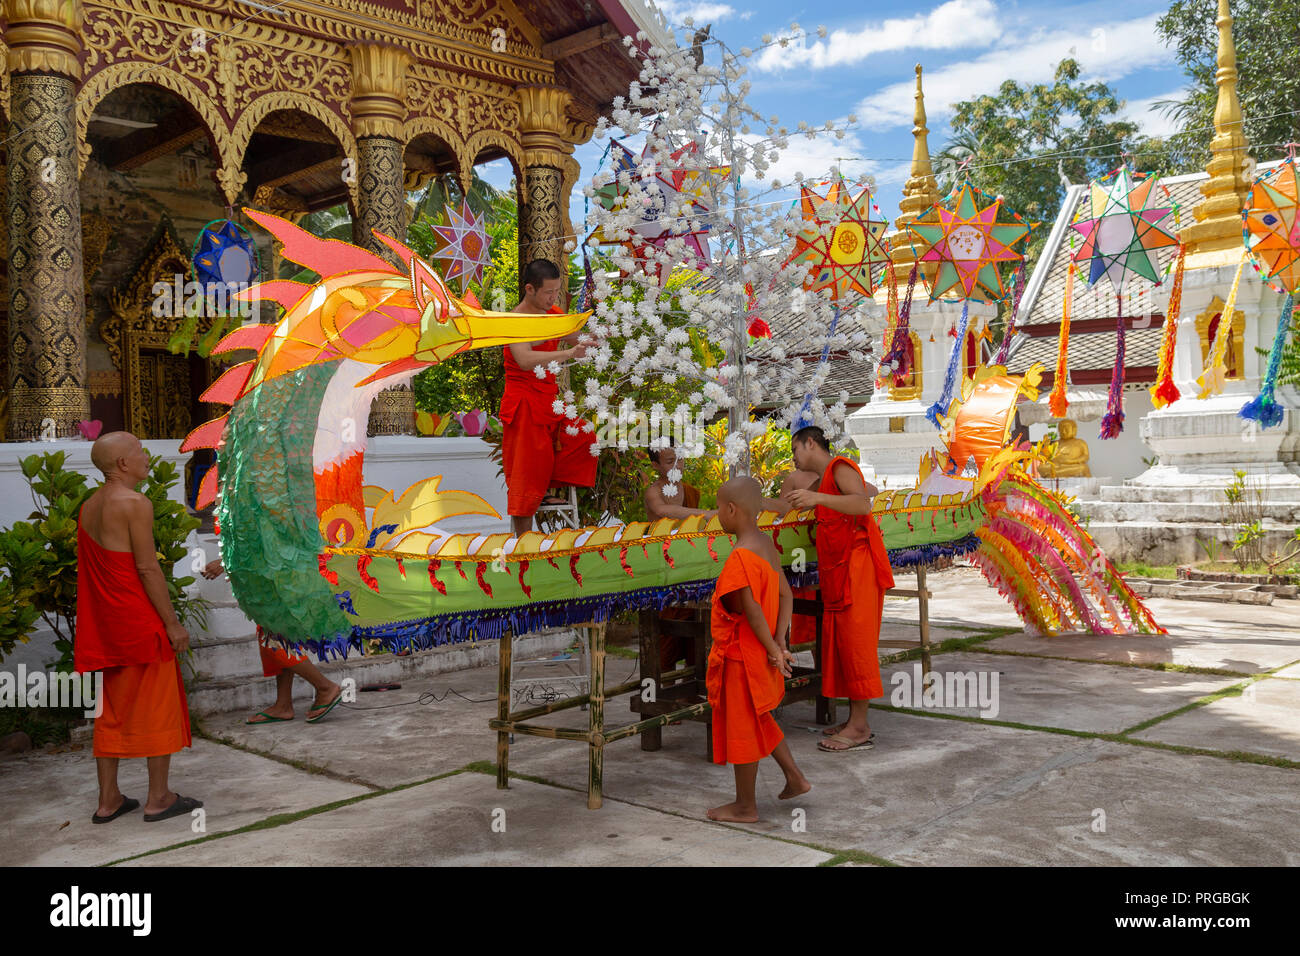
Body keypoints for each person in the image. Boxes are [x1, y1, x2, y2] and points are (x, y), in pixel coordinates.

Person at [75, 431, 202, 824]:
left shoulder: (89, 505)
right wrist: (172, 622)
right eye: (139, 452)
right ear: (122, 465)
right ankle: (159, 797)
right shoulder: (134, 502)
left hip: (105, 624)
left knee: (110, 709)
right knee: (156, 705)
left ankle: (108, 799)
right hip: (137, 619)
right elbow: (146, 568)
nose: (147, 457)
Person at [706, 477, 811, 823]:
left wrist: (771, 648)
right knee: (759, 718)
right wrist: (780, 641)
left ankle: (745, 806)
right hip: (763, 652)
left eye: (719, 508)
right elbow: (786, 595)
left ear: (732, 510)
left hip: (743, 655)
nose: (718, 514)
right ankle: (794, 776)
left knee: (742, 729)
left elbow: (750, 611)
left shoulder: (739, 556)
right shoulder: (766, 544)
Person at [786, 425, 895, 753]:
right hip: (840, 572)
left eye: (795, 449)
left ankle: (860, 727)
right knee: (843, 645)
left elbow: (863, 504)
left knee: (856, 645)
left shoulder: (841, 467)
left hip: (858, 569)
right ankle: (853, 720)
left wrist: (817, 498)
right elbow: (786, 508)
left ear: (810, 443)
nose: (793, 458)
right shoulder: (824, 480)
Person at [501, 258, 598, 535]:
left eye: (556, 292)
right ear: (530, 289)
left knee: (583, 436)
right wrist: (568, 354)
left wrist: (597, 335)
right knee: (526, 479)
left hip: (550, 402)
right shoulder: (515, 320)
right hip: (525, 407)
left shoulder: (553, 313)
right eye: (548, 292)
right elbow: (524, 358)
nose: (553, 298)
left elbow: (576, 336)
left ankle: (545, 488)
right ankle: (523, 547)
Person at [201, 560, 344, 724]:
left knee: (273, 639)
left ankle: (324, 687)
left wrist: (225, 561)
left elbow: (264, 539)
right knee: (278, 634)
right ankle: (283, 705)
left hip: (274, 572)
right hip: (270, 574)